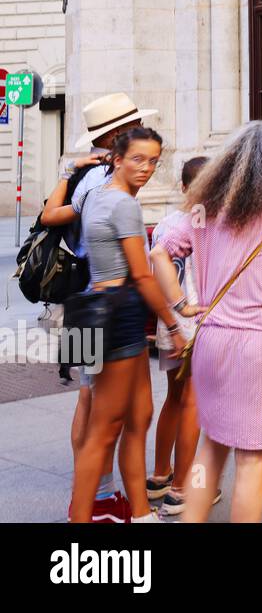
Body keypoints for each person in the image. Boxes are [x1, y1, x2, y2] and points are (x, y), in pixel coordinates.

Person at [149, 120, 262, 523]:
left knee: (210, 448)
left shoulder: (204, 209)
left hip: (212, 337)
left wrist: (180, 304)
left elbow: (159, 253)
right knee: (251, 459)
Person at [42, 92, 159, 523]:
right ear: (116, 138)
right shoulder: (109, 182)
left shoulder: (86, 178)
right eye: (131, 130)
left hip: (82, 305)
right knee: (101, 411)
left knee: (90, 400)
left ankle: (97, 496)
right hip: (107, 305)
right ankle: (94, 500)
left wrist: (67, 172)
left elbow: (49, 216)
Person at [68, 127, 186, 523]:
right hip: (118, 313)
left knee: (138, 417)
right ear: (117, 159)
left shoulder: (93, 195)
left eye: (153, 160)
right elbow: (142, 275)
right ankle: (80, 520)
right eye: (138, 159)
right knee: (106, 428)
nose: (147, 168)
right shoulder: (124, 205)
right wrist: (173, 323)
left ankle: (139, 513)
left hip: (92, 312)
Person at [147, 155, 216, 518]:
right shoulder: (208, 224)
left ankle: (160, 474)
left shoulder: (166, 223)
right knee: (192, 402)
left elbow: (154, 267)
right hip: (195, 322)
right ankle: (181, 488)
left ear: (183, 187)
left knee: (174, 398)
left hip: (168, 321)